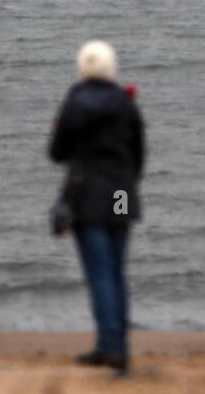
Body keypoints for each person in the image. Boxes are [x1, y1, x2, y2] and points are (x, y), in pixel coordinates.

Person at [49, 40, 145, 374]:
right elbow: (138, 153)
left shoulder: (75, 102)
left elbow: (57, 152)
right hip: (120, 195)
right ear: (111, 68)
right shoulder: (124, 102)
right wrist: (126, 183)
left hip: (87, 195)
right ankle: (116, 346)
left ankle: (111, 347)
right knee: (116, 271)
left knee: (100, 273)